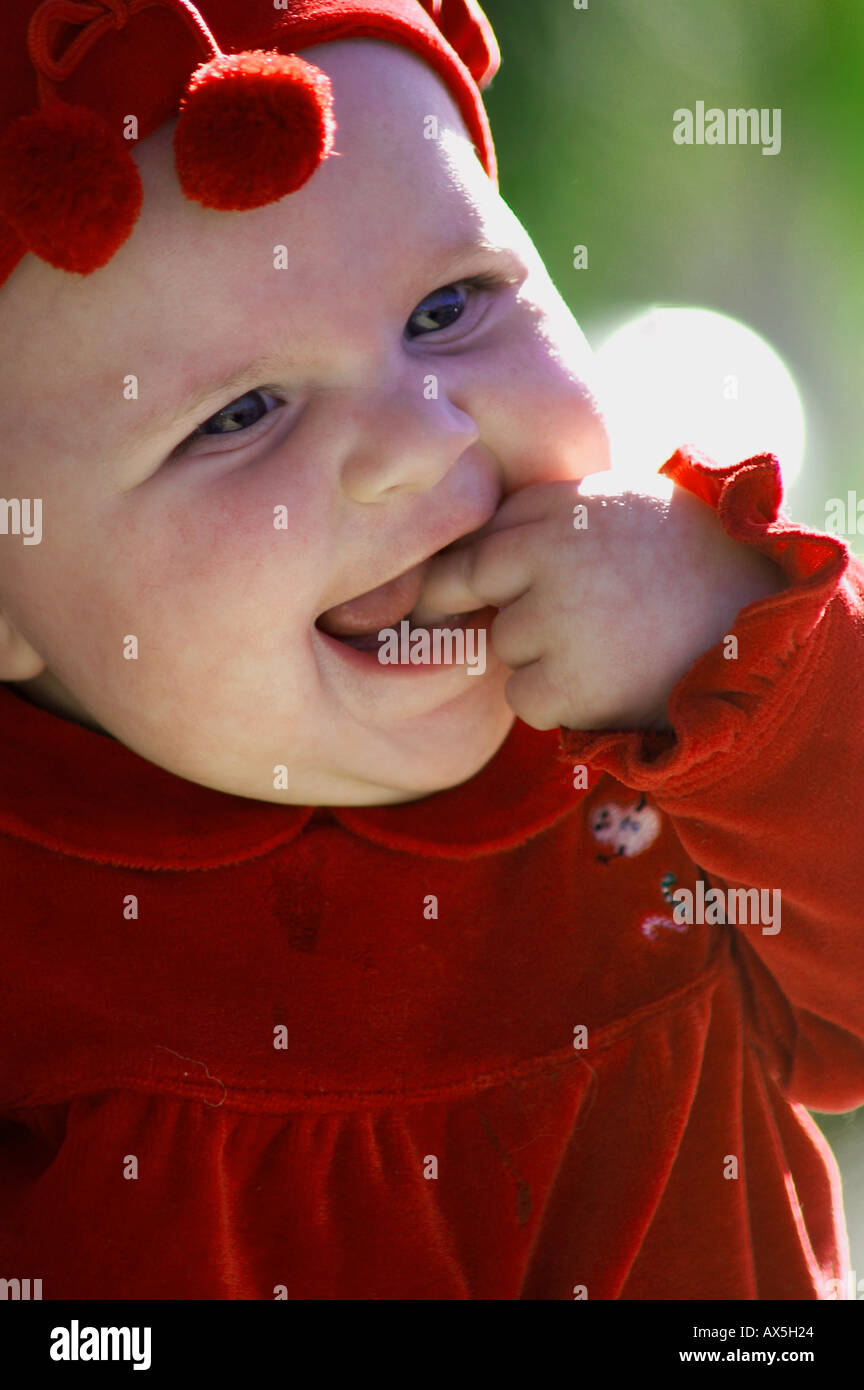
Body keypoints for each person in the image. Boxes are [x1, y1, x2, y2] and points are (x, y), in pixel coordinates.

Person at [0, 0, 861, 1300]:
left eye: (452, 305)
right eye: (240, 412)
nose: (420, 436)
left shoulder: (679, 723)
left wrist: (747, 663)